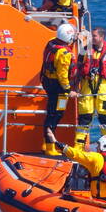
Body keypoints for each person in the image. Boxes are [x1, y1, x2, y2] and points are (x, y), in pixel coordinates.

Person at [46, 130, 106, 206]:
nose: (96, 148)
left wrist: (57, 143)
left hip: (100, 198)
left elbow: (76, 154)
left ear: (104, 145)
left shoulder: (96, 157)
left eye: (98, 145)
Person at [40, 22, 77, 156]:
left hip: (48, 83)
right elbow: (62, 75)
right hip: (59, 88)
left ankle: (47, 143)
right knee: (56, 115)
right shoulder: (64, 53)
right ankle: (50, 146)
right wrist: (68, 91)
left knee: (51, 113)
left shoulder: (51, 43)